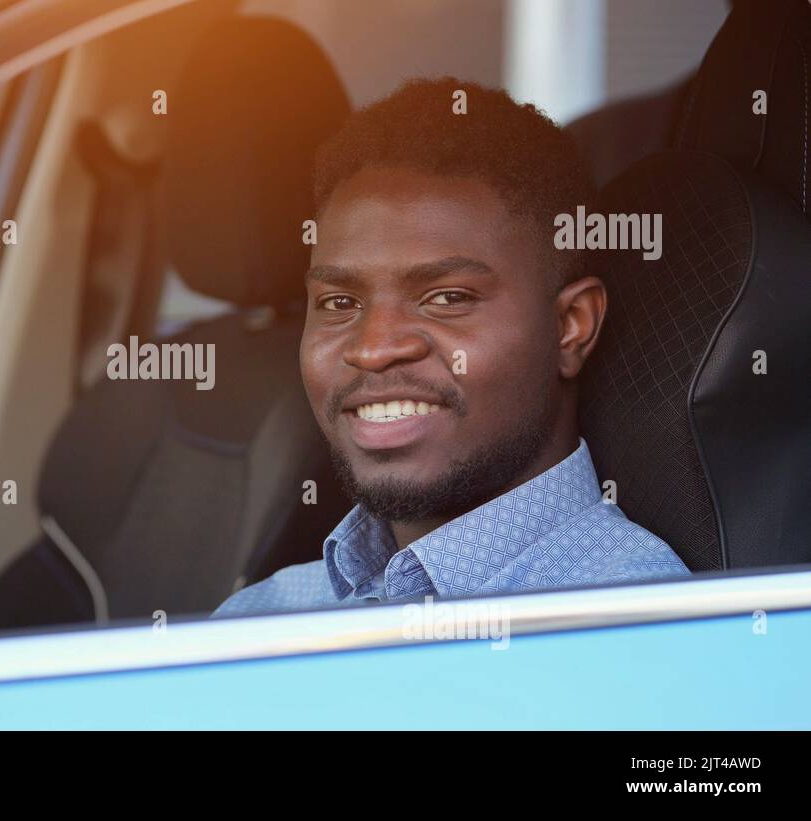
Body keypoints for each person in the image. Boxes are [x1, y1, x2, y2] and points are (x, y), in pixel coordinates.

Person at [214, 78, 689, 618]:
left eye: (447, 297)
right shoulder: (257, 617)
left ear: (570, 326)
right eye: (340, 302)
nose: (373, 349)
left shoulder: (626, 631)